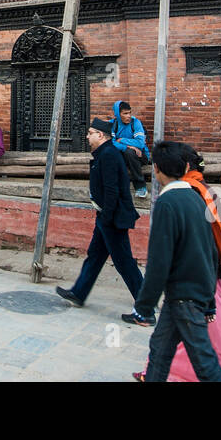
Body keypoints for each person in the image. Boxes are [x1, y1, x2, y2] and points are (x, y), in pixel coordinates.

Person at [135, 141, 221, 382]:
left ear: (156, 169)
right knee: (160, 350)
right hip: (192, 293)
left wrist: (144, 305)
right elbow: (211, 251)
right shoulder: (196, 198)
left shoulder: (168, 203)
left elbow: (159, 261)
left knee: (205, 363)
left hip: (184, 296)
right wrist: (210, 300)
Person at [55, 117, 142, 309]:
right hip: (105, 216)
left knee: (123, 261)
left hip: (112, 217)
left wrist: (107, 217)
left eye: (90, 133)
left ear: (100, 135)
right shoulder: (103, 153)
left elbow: (112, 190)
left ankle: (145, 302)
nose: (87, 137)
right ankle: (79, 292)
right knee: (95, 255)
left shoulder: (109, 154)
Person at [111, 101, 150, 199]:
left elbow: (140, 143)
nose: (128, 116)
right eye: (125, 113)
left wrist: (121, 140)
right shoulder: (112, 124)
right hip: (123, 155)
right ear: (117, 114)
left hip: (140, 156)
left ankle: (140, 186)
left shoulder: (135, 123)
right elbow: (110, 143)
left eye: (129, 113)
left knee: (130, 153)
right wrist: (126, 146)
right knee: (108, 152)